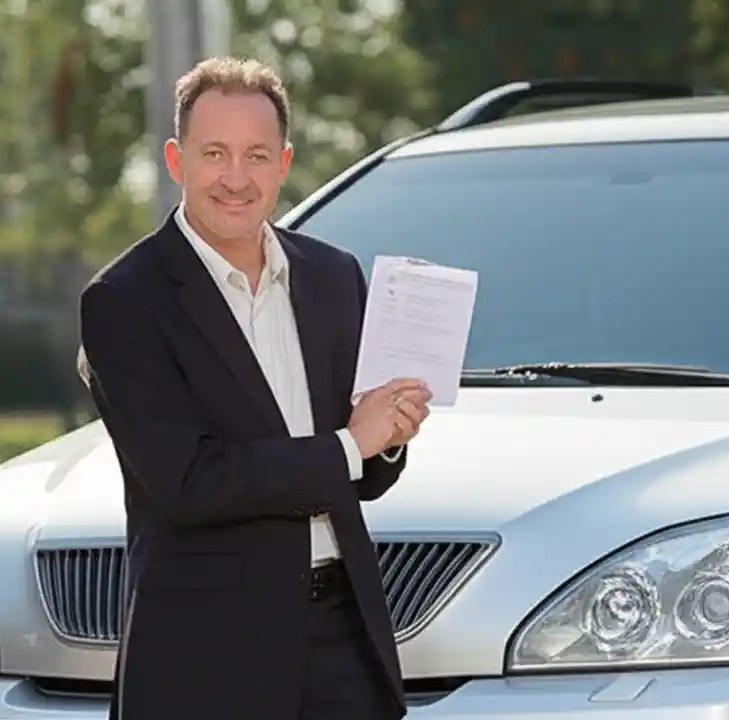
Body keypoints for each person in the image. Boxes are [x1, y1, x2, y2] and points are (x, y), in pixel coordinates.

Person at [77, 56, 428, 720]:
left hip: (346, 640)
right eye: (216, 154)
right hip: (208, 655)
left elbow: (362, 474)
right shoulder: (124, 301)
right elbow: (190, 482)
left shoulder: (332, 276)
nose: (236, 178)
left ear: (284, 164)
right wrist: (355, 444)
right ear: (177, 161)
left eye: (257, 155)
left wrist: (389, 437)